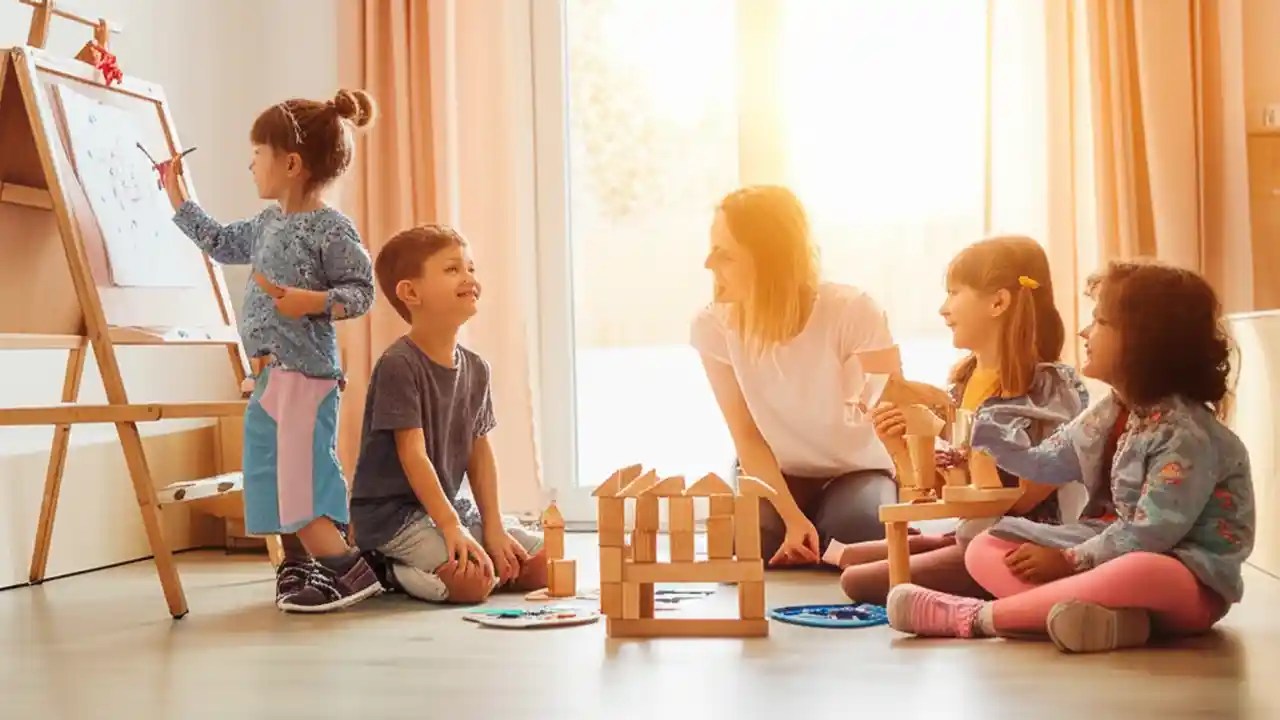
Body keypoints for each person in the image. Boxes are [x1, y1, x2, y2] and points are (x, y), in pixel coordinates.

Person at [885, 260, 1254, 653]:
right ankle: (1115, 623)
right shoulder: (1110, 410)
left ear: (1144, 340)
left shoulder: (1186, 435)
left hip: (1187, 581)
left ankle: (979, 618)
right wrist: (990, 436)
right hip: (1104, 551)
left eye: (1100, 321)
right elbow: (1045, 462)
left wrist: (1070, 560)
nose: (1084, 331)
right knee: (985, 546)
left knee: (1142, 569)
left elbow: (1151, 535)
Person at [165, 90, 381, 612]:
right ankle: (299, 565)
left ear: (291, 163)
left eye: (257, 153)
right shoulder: (266, 224)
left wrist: (314, 301)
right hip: (267, 378)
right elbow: (219, 242)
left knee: (300, 481)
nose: (250, 164)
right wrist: (177, 196)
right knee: (268, 478)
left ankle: (348, 572)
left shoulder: (331, 228)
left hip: (306, 375)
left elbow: (362, 291)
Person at [834, 236, 1088, 605]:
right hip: (974, 531)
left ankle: (976, 573)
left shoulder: (1051, 387)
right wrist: (901, 448)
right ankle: (949, 548)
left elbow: (1023, 500)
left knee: (858, 580)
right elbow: (943, 492)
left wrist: (962, 438)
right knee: (849, 555)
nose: (943, 309)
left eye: (954, 293)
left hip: (1022, 543)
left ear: (998, 302)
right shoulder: (964, 382)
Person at [691, 185, 898, 566]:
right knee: (751, 540)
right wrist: (791, 518)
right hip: (778, 469)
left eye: (725, 254)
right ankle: (810, 527)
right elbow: (746, 436)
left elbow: (895, 406)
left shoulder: (853, 310)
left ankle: (829, 523)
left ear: (770, 259)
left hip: (857, 469)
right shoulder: (713, 326)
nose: (708, 263)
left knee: (859, 532)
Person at [350, 225, 547, 604]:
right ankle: (384, 567)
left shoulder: (476, 368)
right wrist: (452, 527)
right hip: (393, 517)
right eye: (453, 269)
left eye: (471, 268)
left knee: (543, 564)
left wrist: (493, 527)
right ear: (411, 293)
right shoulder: (398, 364)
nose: (469, 278)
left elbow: (479, 454)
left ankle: (466, 553)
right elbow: (413, 454)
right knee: (473, 583)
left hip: (447, 509)